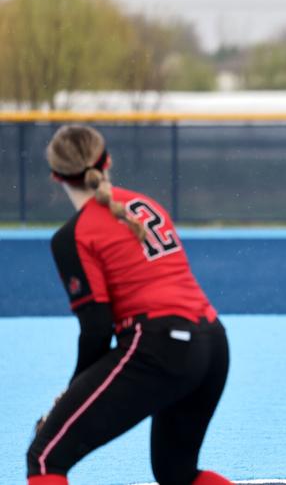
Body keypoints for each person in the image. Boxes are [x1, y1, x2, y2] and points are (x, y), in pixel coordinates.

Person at [26, 125, 232, 485]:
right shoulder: (145, 204)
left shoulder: (71, 236)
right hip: (213, 342)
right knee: (176, 472)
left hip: (160, 344)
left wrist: (71, 396)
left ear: (56, 176)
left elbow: (96, 328)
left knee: (44, 459)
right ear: (107, 160)